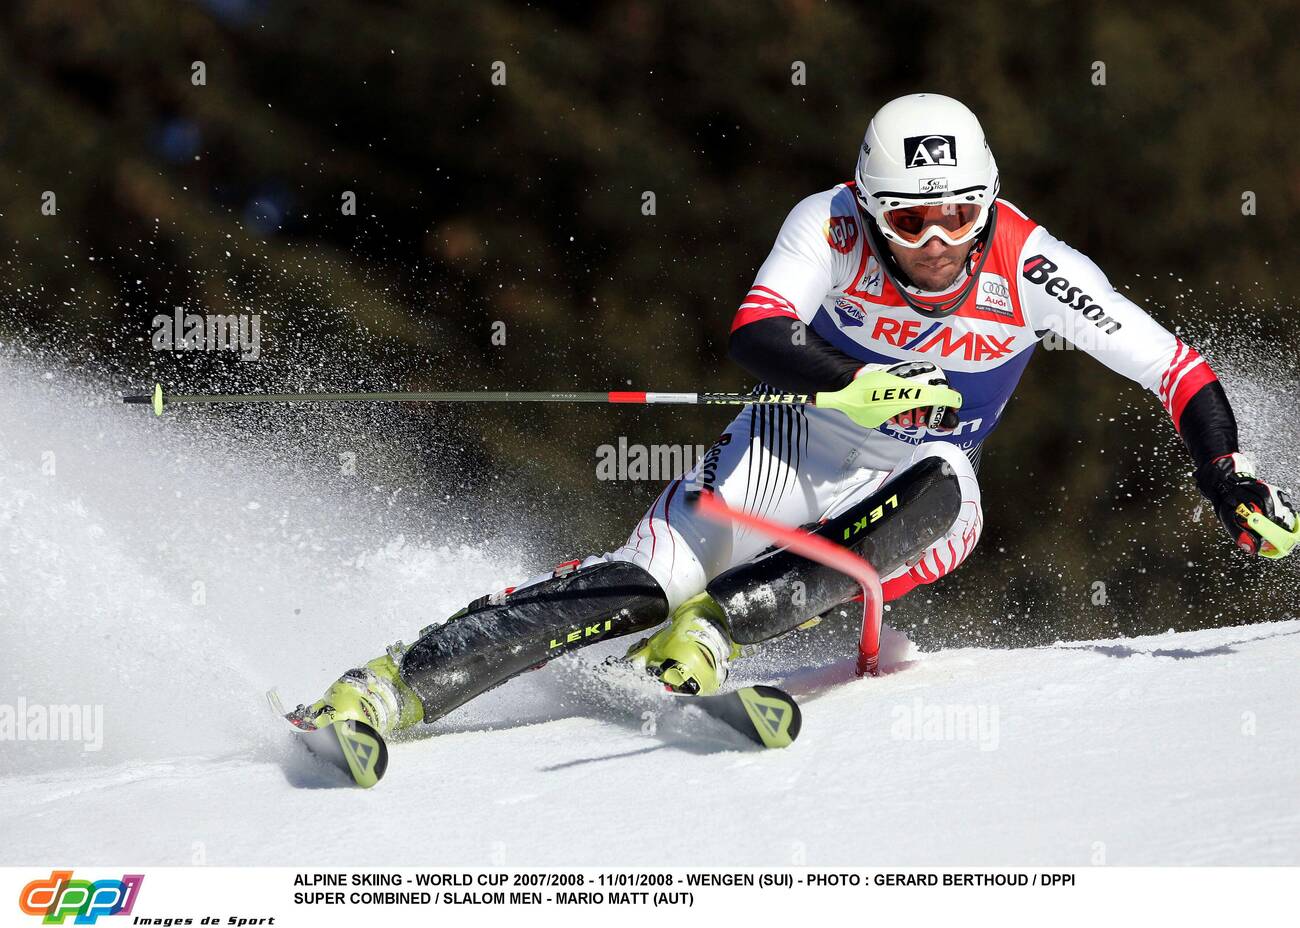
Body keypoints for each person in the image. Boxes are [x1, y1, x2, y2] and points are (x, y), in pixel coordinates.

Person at [299, 93, 1299, 741]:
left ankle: (723, 633)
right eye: (911, 220)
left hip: (914, 481)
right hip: (792, 442)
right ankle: (393, 683)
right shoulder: (825, 223)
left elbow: (1176, 369)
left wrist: (1228, 475)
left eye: (962, 213)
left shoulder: (1032, 265)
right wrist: (840, 382)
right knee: (644, 585)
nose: (941, 242)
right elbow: (755, 329)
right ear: (871, 211)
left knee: (950, 487)